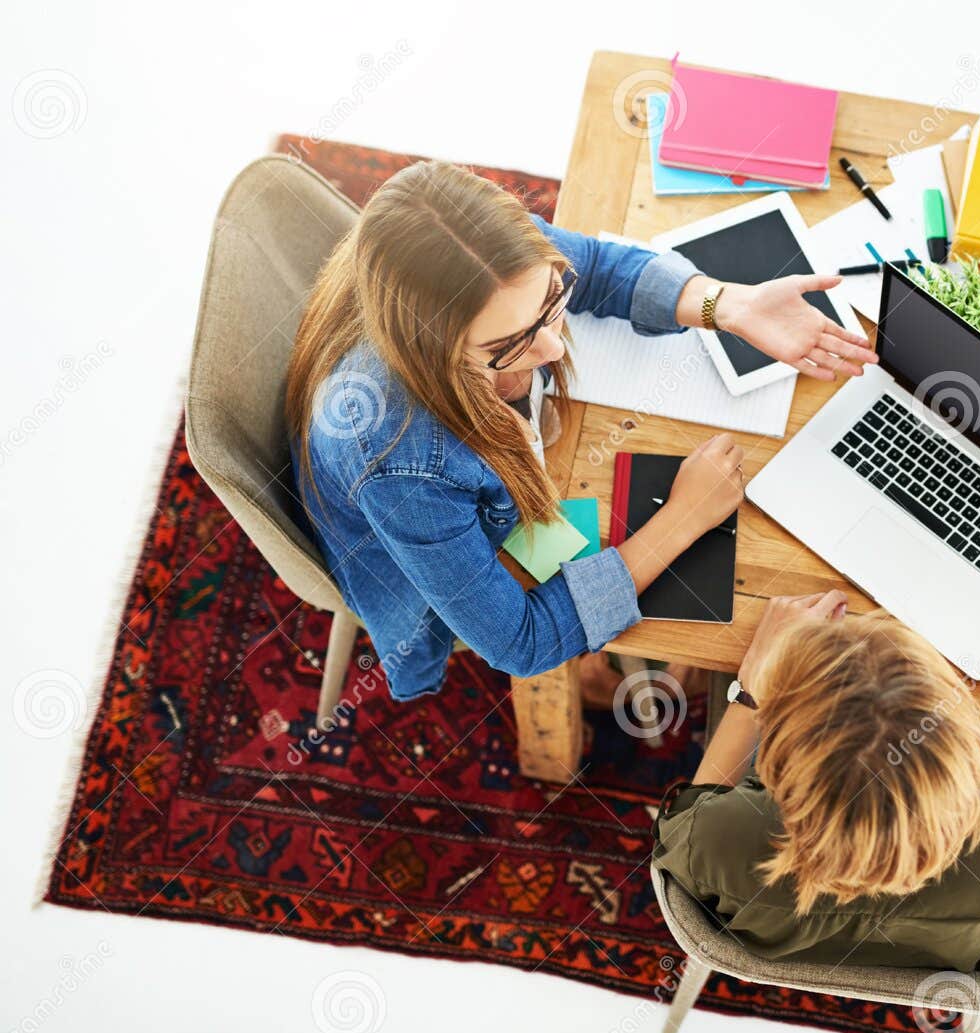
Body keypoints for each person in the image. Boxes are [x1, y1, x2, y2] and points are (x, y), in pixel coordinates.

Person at [285, 159, 875, 700]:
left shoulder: (485, 258)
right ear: (429, 346)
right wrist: (684, 519)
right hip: (448, 555)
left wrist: (727, 305)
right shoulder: (399, 462)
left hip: (523, 480)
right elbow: (522, 641)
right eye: (509, 343)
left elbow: (595, 266)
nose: (548, 347)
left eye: (551, 299)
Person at [653, 589, 980, 971]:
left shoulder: (717, 840)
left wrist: (751, 687)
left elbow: (689, 815)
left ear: (780, 759)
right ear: (969, 760)